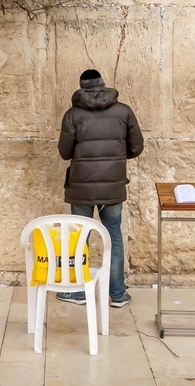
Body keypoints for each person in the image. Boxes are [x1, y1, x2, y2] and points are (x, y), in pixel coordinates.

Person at [55, 69, 144, 308]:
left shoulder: (72, 115)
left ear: (82, 88)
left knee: (80, 239)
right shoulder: (124, 111)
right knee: (113, 236)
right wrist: (114, 158)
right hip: (113, 187)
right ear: (104, 84)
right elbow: (137, 147)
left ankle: (78, 292)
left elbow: (64, 152)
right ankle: (117, 294)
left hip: (81, 187)